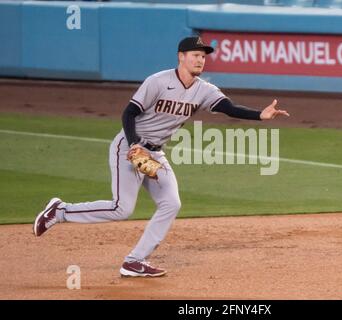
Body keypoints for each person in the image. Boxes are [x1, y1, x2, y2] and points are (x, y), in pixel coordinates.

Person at [33, 36, 290, 277]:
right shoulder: (157, 81)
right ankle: (60, 211)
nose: (200, 60)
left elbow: (229, 108)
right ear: (181, 56)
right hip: (129, 147)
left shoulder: (204, 90)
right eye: (195, 55)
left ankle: (135, 261)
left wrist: (260, 115)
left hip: (155, 154)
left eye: (204, 56)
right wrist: (134, 144)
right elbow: (128, 113)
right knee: (122, 208)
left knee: (171, 203)